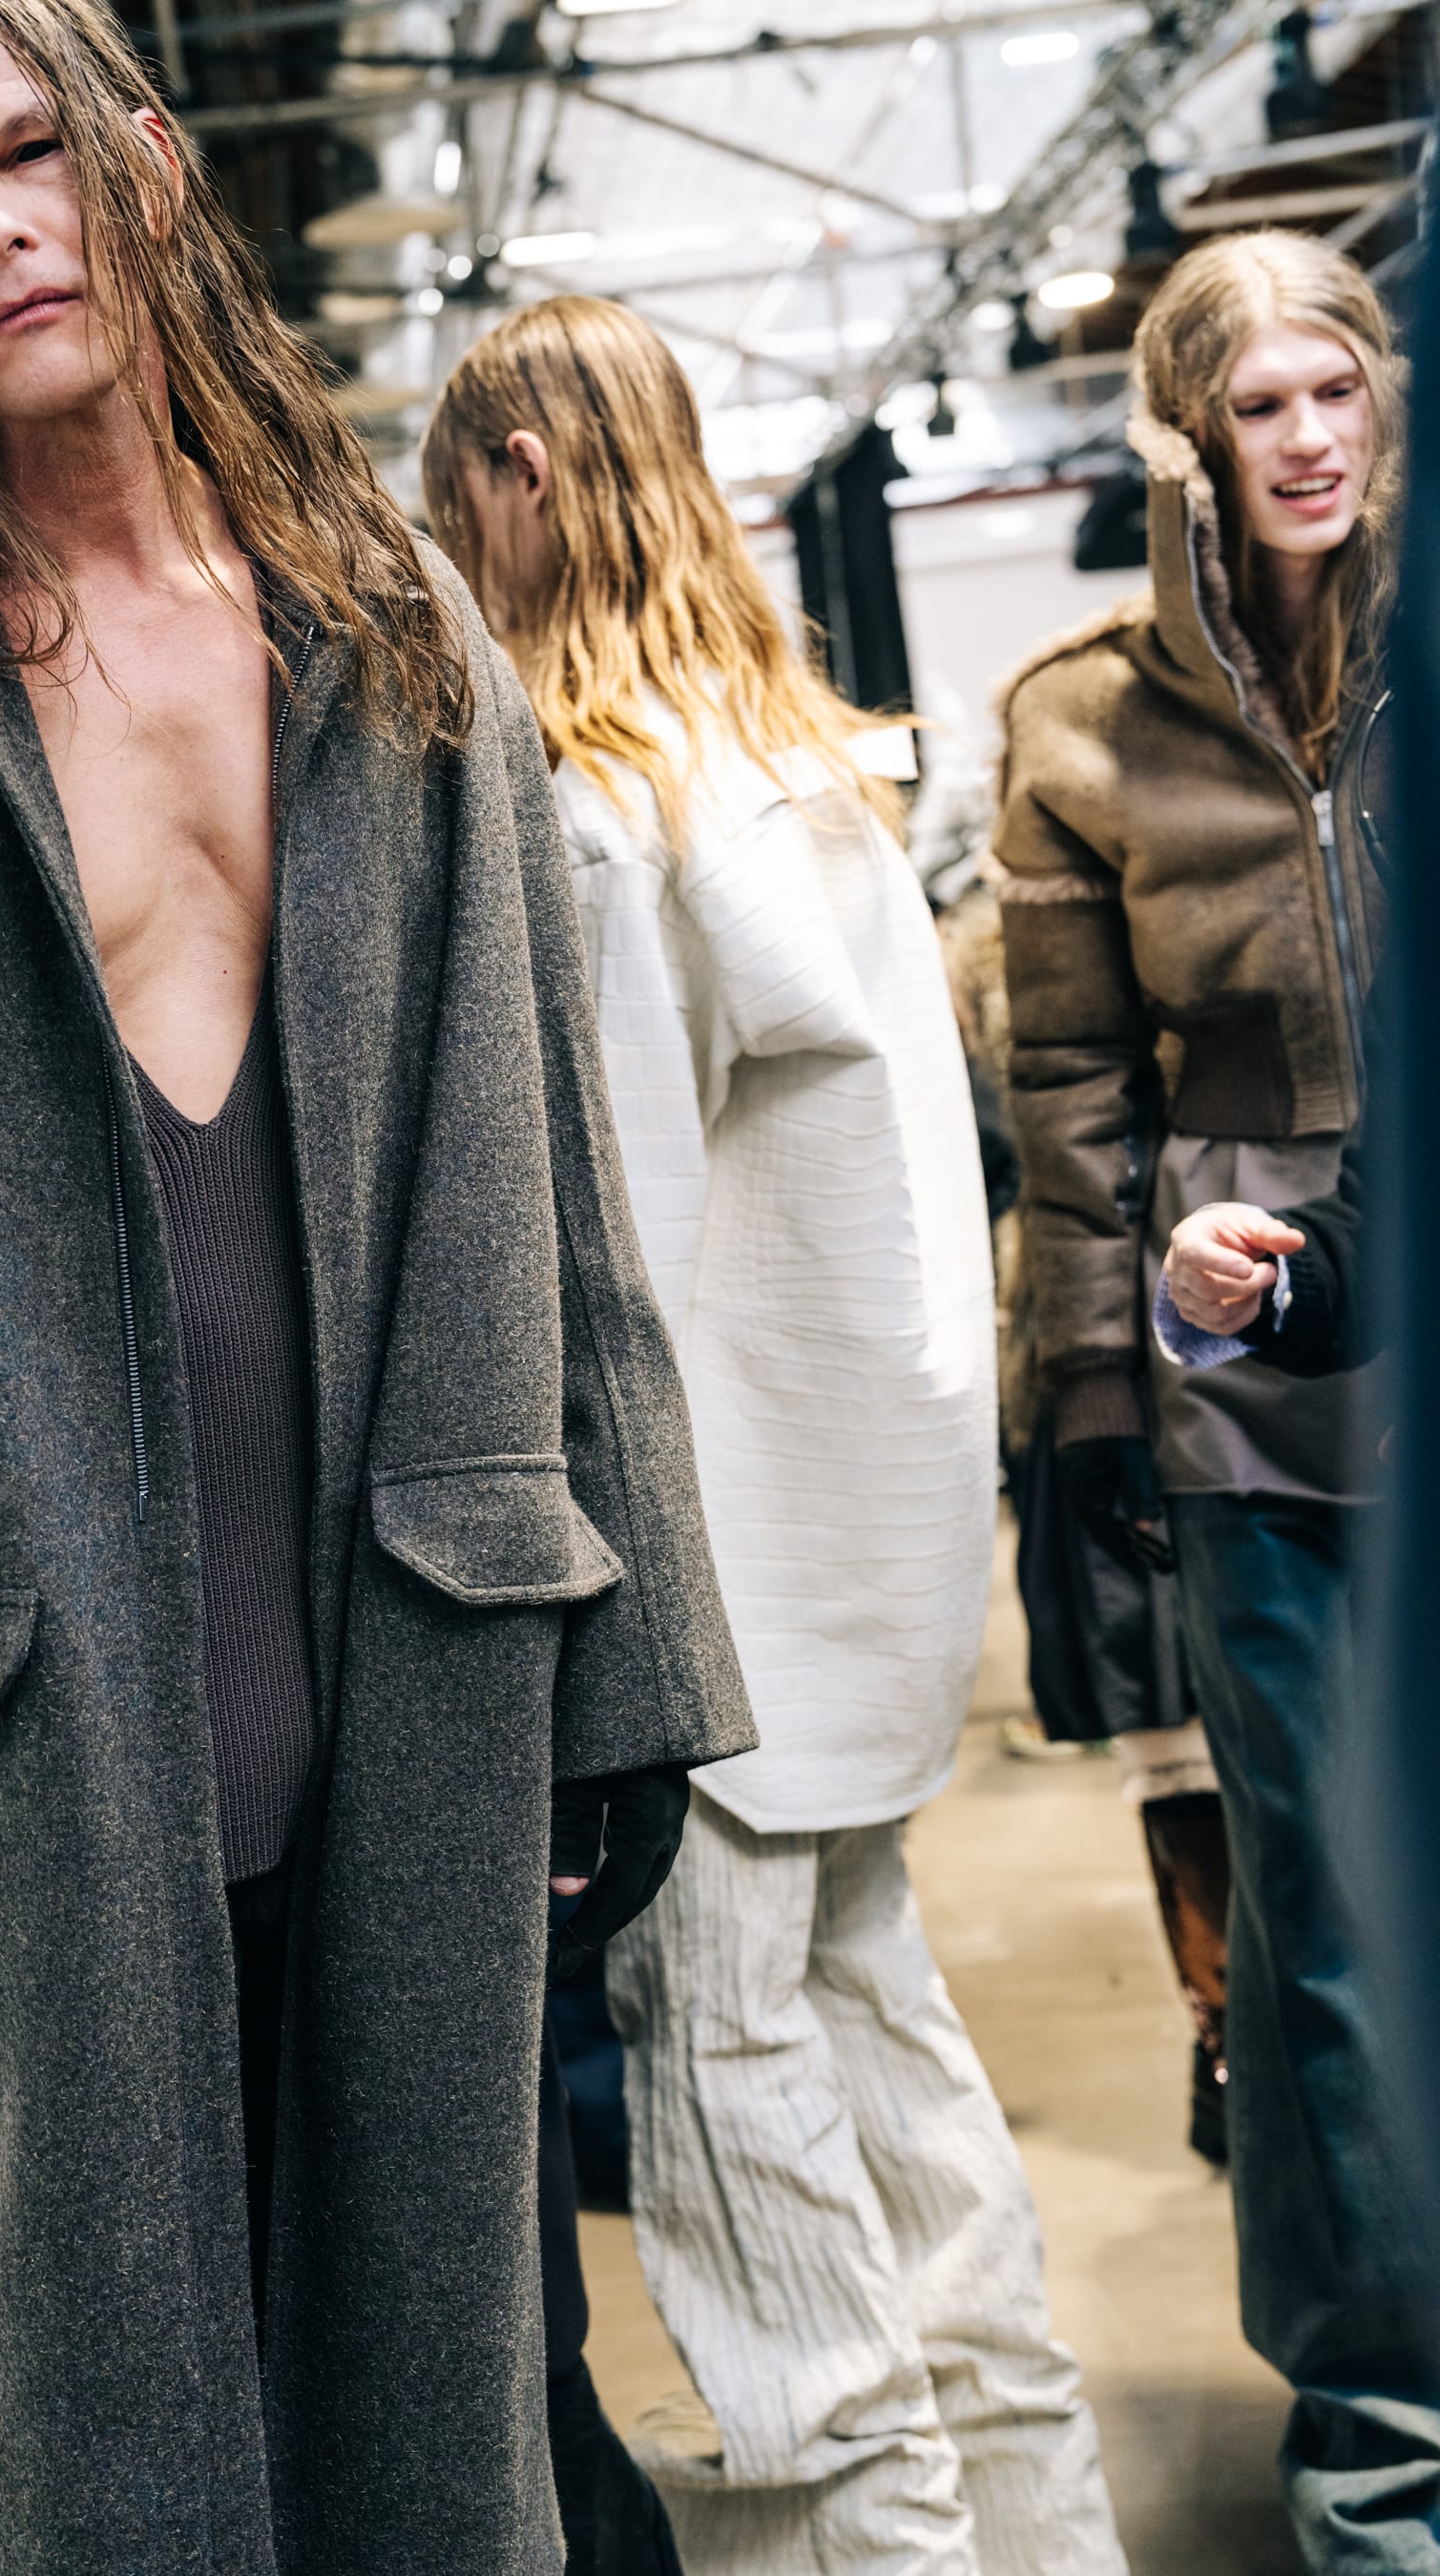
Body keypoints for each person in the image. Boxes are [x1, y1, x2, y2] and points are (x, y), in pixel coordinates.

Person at [0, 7, 753, 2569]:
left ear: (140, 163)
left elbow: (557, 1194)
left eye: (28, 151)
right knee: (96, 2488)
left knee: (430, 2457)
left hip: (413, 1688)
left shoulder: (395, 641)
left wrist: (639, 1643)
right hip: (8, 1753)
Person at [425, 295, 1124, 2576]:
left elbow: (595, 1253)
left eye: (462, 489)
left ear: (525, 478)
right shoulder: (811, 773)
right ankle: (1036, 2521)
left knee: (738, 2118)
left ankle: (884, 2549)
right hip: (872, 1553)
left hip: (707, 1584)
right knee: (896, 2068)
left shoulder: (596, 808)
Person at [995, 229, 1440, 2569]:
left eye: (1335, 386)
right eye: (1257, 403)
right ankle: (1383, 2454)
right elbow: (1065, 1070)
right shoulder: (1083, 720)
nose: (1307, 436)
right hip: (1249, 1360)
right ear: (1189, 434)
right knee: (1338, 1928)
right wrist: (1100, 1362)